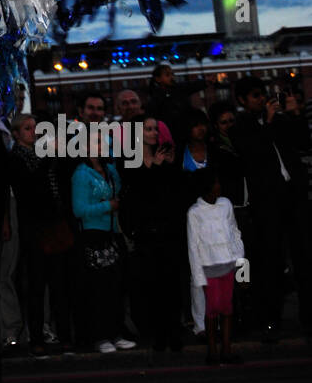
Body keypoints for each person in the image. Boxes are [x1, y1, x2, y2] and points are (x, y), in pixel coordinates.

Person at [233, 77, 311, 340]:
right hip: (268, 202)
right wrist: (267, 121)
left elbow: (303, 140)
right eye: (255, 95)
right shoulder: (241, 125)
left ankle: (308, 317)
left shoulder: (278, 119)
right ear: (242, 100)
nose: (261, 99)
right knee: (272, 262)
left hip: (294, 196)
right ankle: (272, 319)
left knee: (304, 258)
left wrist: (293, 112)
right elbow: (254, 154)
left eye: (263, 94)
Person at [7, 113, 73, 356]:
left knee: (58, 284)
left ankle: (64, 336)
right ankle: (36, 337)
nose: (33, 132)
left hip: (54, 224)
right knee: (36, 285)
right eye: (27, 128)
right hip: (34, 227)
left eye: (35, 127)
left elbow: (59, 182)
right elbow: (27, 188)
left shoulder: (45, 154)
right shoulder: (16, 159)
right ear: (16, 134)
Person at [122, 119, 184, 352]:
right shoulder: (130, 160)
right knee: (152, 287)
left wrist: (168, 165)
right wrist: (156, 167)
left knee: (171, 285)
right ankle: (158, 335)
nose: (153, 132)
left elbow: (173, 195)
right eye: (148, 129)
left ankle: (174, 332)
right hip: (145, 235)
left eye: (155, 129)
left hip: (168, 232)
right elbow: (140, 196)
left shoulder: (165, 159)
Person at [71, 145, 135, 354]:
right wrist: (107, 206)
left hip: (112, 232)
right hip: (92, 235)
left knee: (115, 285)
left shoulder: (110, 169)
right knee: (97, 288)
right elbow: (79, 210)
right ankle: (99, 336)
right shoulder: (81, 174)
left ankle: (115, 333)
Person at [187, 170, 245, 365]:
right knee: (212, 310)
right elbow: (193, 247)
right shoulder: (195, 213)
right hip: (209, 267)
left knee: (227, 308)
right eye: (216, 182)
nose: (219, 185)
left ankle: (226, 349)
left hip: (228, 264)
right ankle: (212, 351)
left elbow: (235, 231)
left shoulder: (226, 205)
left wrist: (239, 259)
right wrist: (198, 277)